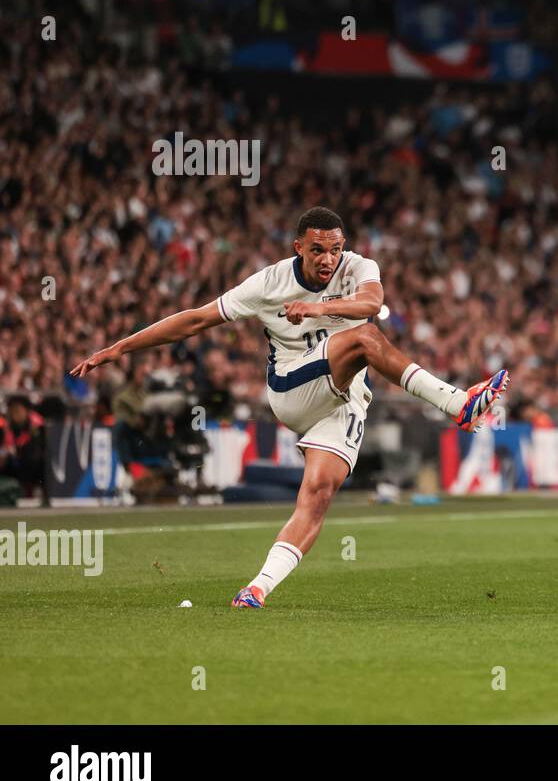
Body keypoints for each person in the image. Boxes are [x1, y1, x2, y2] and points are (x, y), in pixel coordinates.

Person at [70, 207, 509, 608]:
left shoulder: (359, 267)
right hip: (292, 390)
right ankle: (458, 404)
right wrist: (120, 347)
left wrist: (320, 306)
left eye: (335, 249)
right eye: (317, 250)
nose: (328, 259)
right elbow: (196, 318)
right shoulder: (268, 283)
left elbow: (372, 303)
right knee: (365, 338)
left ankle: (257, 588)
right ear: (298, 247)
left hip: (346, 399)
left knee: (317, 494)